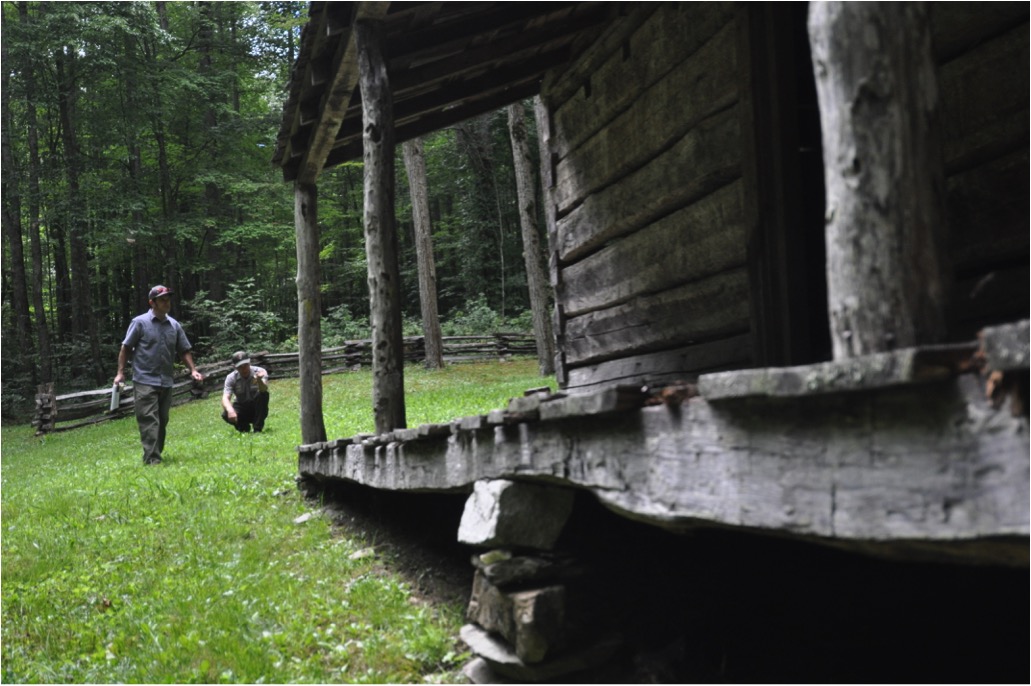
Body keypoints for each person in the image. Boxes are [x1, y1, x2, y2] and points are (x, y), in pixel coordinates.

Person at [114, 285, 204, 465]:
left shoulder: (174, 325)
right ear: (152, 302)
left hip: (166, 381)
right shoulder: (139, 323)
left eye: (168, 299)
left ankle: (155, 451)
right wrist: (120, 373)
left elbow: (184, 350)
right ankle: (152, 459)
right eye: (162, 299)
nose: (166, 302)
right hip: (144, 380)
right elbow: (126, 347)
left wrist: (193, 370)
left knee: (162, 420)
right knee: (149, 419)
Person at [221, 351, 270, 433]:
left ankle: (257, 429)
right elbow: (225, 398)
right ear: (235, 367)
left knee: (263, 395)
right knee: (225, 414)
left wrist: (259, 380)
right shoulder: (231, 378)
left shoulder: (260, 371)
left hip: (257, 408)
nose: (244, 369)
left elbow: (263, 389)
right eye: (240, 366)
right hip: (241, 406)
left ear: (249, 362)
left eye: (246, 365)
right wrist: (230, 410)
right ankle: (243, 428)